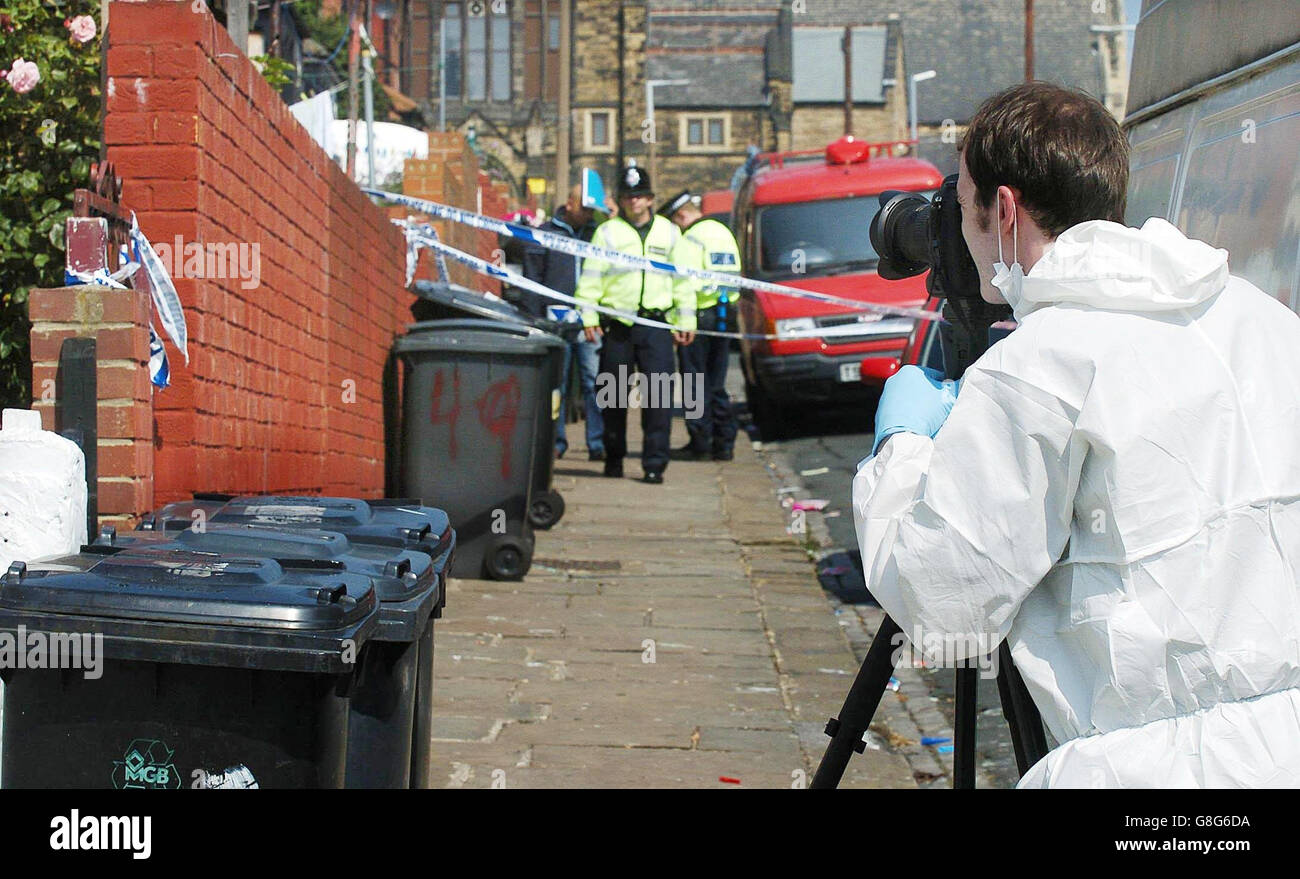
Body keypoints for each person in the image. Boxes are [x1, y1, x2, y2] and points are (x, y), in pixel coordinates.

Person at [853, 82, 1300, 788]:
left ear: (1003, 210)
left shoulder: (1038, 367)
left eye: (963, 203)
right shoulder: (1262, 318)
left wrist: (901, 447)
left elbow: (941, 603)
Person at [574, 161, 696, 484]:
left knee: (657, 400)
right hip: (618, 326)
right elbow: (591, 278)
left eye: (640, 196)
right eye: (629, 196)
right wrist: (588, 315)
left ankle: (654, 464)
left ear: (651, 199)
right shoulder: (607, 232)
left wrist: (686, 320)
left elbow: (682, 281)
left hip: (656, 326)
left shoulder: (669, 233)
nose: (634, 202)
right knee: (612, 398)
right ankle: (614, 458)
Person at [522, 184, 603, 461]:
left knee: (595, 382)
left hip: (590, 321)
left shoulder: (596, 234)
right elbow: (531, 279)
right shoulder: (545, 234)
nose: (589, 214)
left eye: (593, 209)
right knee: (558, 383)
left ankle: (597, 442)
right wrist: (534, 318)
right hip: (554, 323)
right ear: (570, 203)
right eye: (585, 208)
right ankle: (556, 442)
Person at [660, 190, 741, 462]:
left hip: (696, 317)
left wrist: (680, 321)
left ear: (681, 215)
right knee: (717, 382)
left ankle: (700, 441)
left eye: (674, 222)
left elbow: (683, 285)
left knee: (695, 383)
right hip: (724, 314)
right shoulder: (721, 232)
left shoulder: (689, 239)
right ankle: (725, 441)